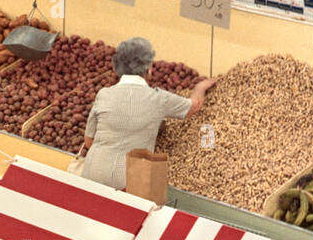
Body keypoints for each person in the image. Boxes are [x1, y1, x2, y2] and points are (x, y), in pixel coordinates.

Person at [78, 37, 216, 190]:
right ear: (148, 68)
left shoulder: (104, 94)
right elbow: (194, 106)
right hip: (129, 180)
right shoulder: (158, 99)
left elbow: (89, 141)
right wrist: (200, 88)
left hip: (92, 173)